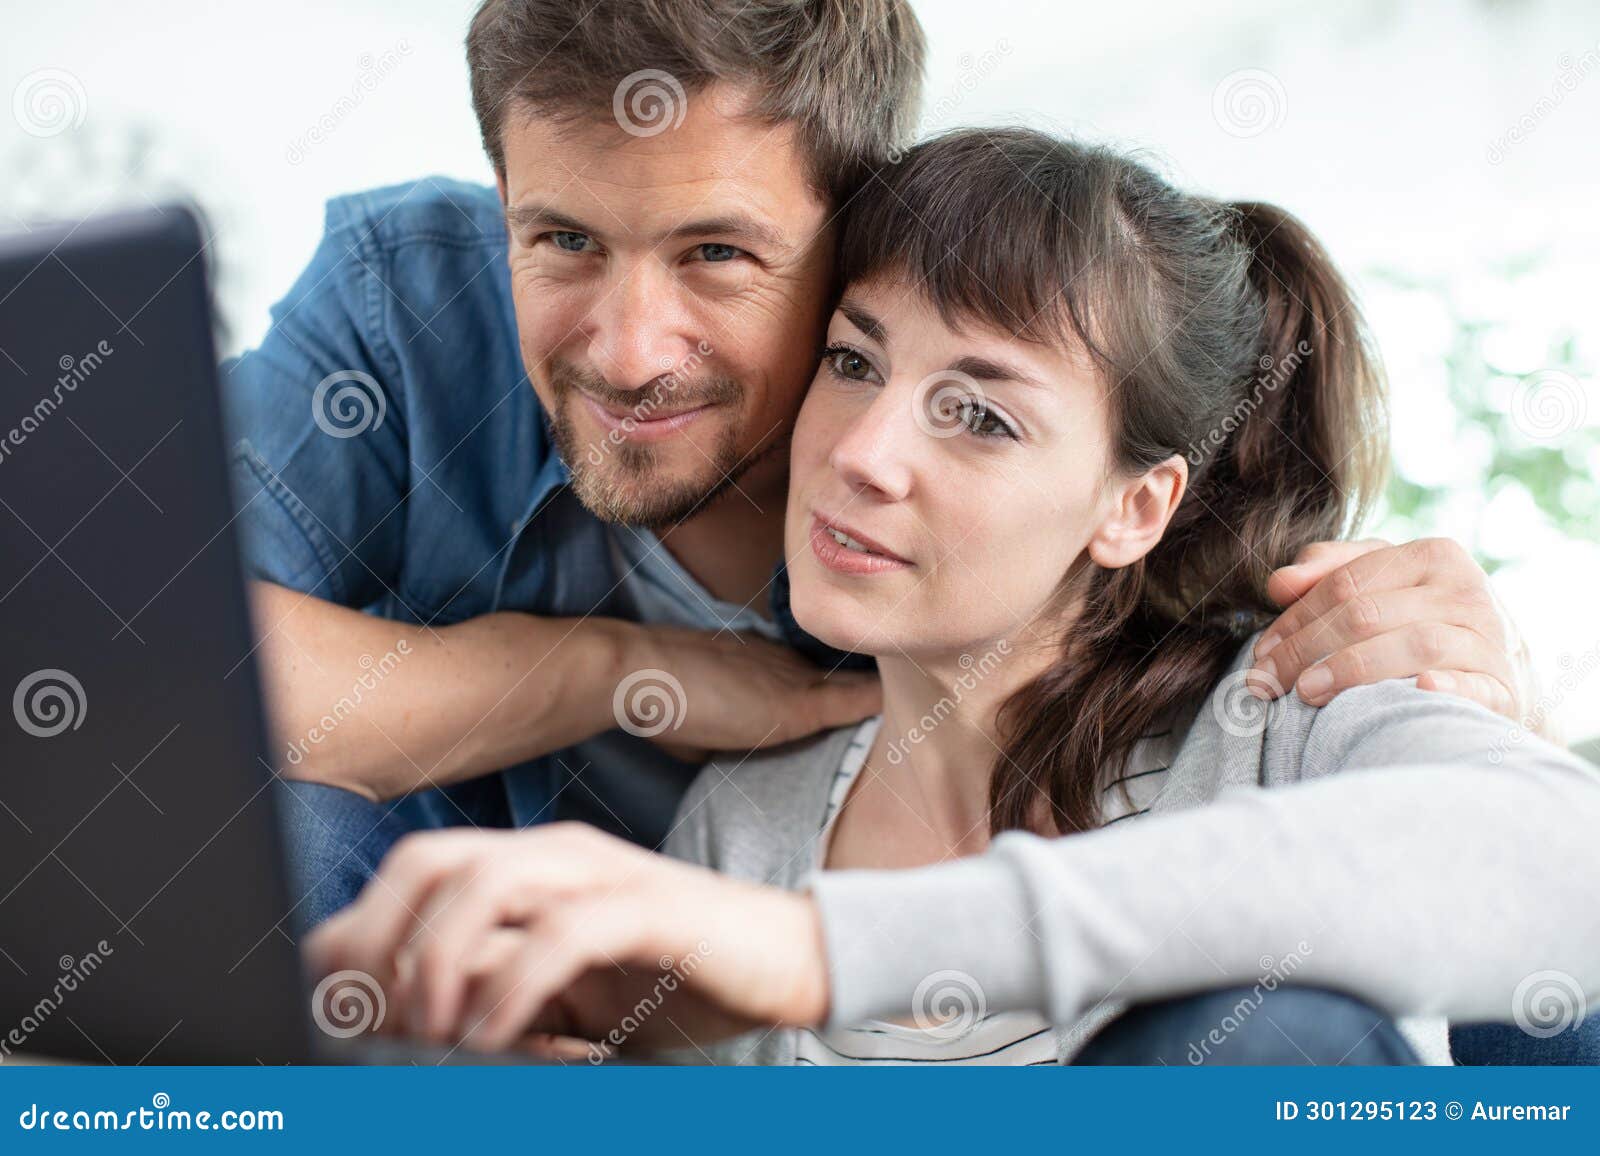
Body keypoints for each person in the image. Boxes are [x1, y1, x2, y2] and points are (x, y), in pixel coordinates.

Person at [304, 128, 1600, 1066]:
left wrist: (822, 951)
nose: (862, 455)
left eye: (978, 414)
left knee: (1264, 1033)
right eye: (854, 362)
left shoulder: (1288, 706)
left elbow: (1571, 877)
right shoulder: (744, 829)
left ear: (1134, 506)